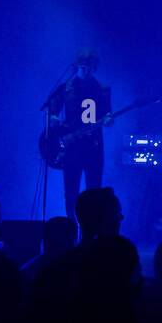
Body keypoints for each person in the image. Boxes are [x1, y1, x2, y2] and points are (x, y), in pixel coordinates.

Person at [48, 48, 113, 228]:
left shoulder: (102, 89)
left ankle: (92, 229)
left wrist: (108, 119)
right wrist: (53, 118)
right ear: (76, 66)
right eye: (82, 67)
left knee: (94, 190)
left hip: (94, 146)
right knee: (71, 189)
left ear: (95, 68)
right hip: (72, 147)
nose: (85, 70)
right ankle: (71, 227)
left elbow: (108, 114)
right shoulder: (65, 88)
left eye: (89, 67)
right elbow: (53, 110)